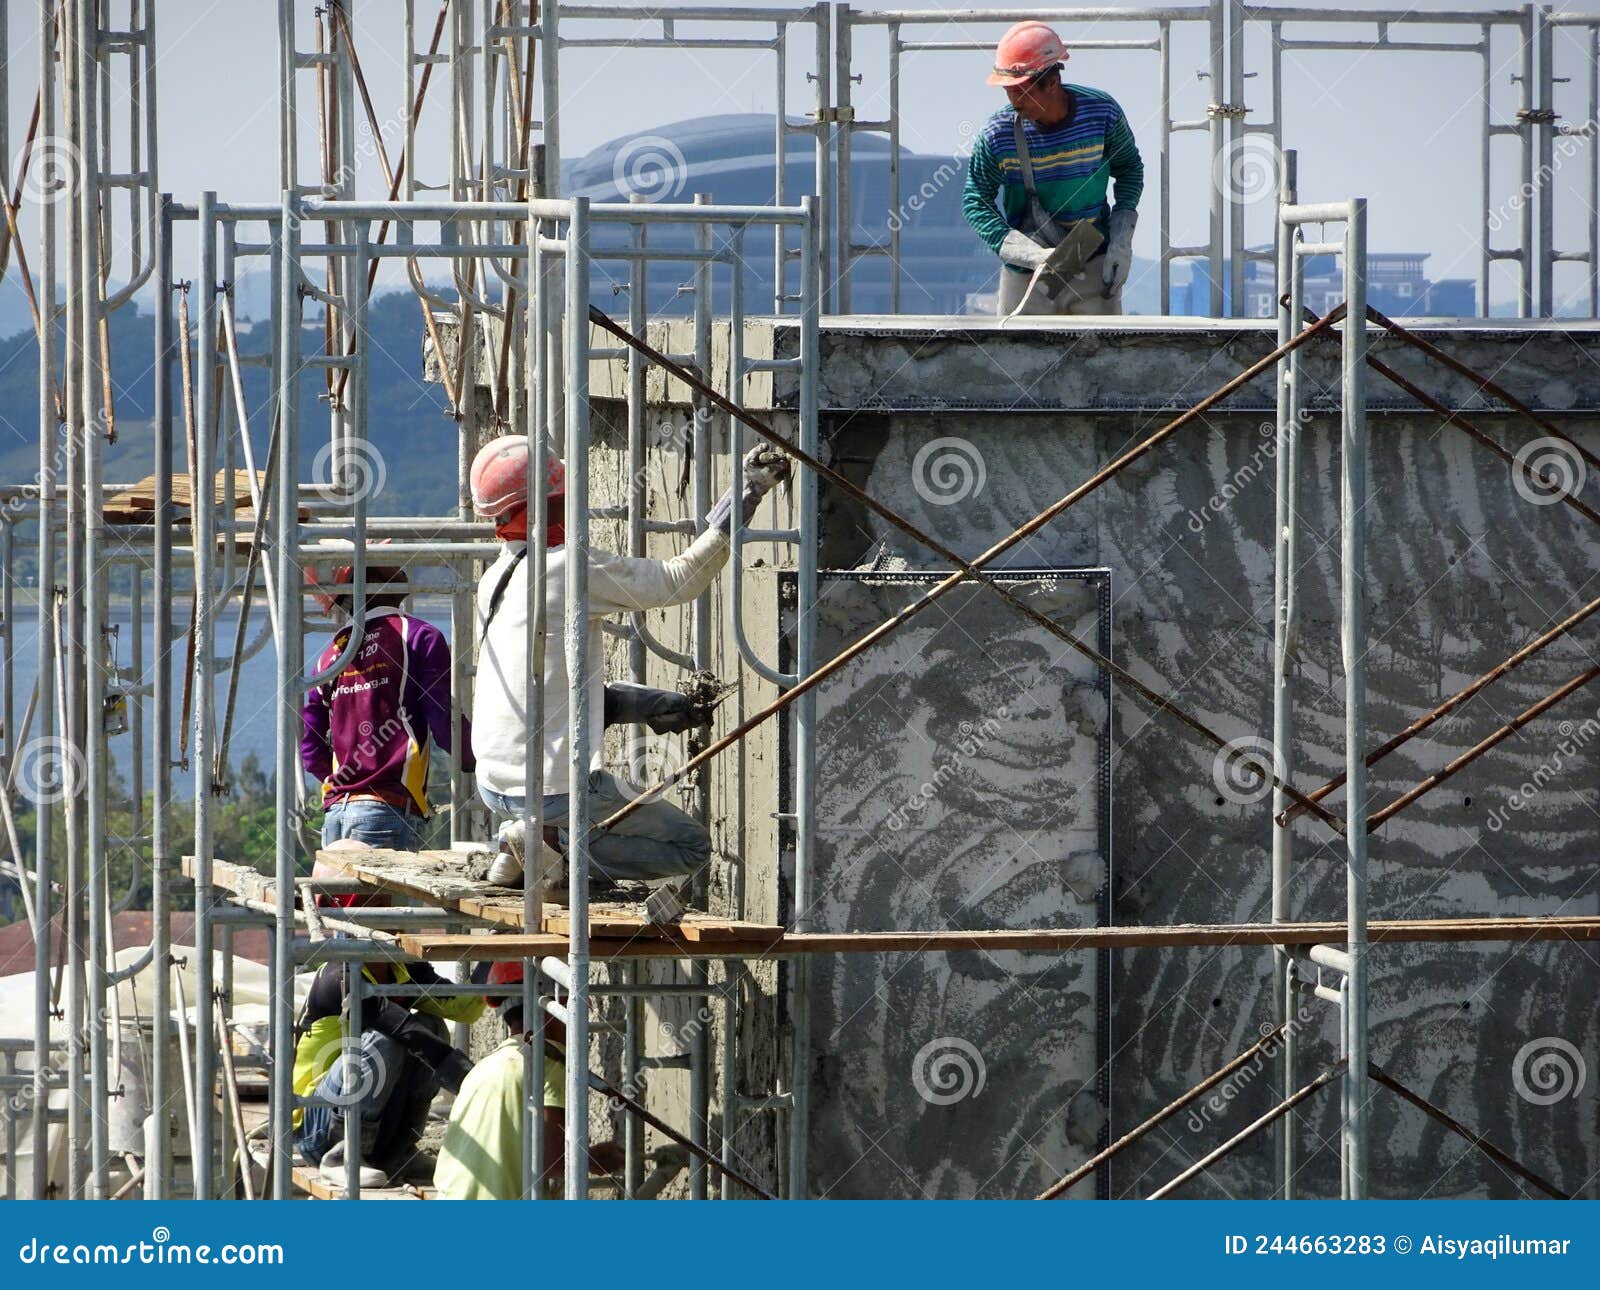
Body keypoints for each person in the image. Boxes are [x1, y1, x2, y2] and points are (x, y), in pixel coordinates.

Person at [467, 435, 789, 893]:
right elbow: (678, 581)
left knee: (579, 808)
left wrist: (648, 705)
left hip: (496, 786)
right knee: (691, 847)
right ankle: (555, 847)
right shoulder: (567, 568)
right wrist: (744, 492)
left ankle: (527, 838)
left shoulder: (496, 578)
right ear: (552, 502)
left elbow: (546, 688)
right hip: (555, 791)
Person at [962, 20, 1144, 317]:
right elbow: (975, 200)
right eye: (1009, 91)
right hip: (1027, 272)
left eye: (1022, 91)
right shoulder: (999, 133)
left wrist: (1122, 239)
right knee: (1021, 356)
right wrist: (1024, 252)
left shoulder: (1101, 113)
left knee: (1098, 357)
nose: (1014, 101)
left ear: (1052, 83)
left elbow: (1129, 170)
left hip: (1091, 256)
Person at [300, 558, 471, 851]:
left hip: (337, 812)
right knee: (386, 898)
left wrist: (343, 781)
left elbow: (310, 748)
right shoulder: (420, 637)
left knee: (340, 896)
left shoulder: (331, 655)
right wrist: (477, 758)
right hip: (387, 809)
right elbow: (444, 722)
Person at [292, 948, 484, 1188]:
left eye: (387, 911)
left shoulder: (403, 969)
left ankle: (400, 1153)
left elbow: (464, 1008)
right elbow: (398, 1025)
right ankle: (342, 1157)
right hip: (317, 1130)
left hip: (378, 1126)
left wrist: (493, 956)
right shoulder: (339, 977)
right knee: (387, 1038)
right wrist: (475, 1084)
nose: (390, 925)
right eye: (374, 912)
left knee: (433, 1027)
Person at [434, 960, 624, 1199]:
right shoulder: (546, 1063)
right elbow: (552, 1160)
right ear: (552, 1006)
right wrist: (595, 1158)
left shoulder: (483, 1067)